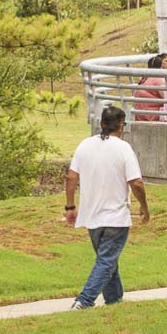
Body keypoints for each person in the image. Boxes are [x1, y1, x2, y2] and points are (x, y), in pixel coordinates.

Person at [65, 105, 151, 309]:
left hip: (91, 218)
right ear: (121, 125)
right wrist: (145, 207)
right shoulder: (123, 148)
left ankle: (114, 301)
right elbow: (136, 182)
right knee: (106, 261)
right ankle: (84, 301)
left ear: (102, 124)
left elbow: (71, 176)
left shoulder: (84, 145)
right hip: (116, 217)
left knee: (108, 260)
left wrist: (70, 207)